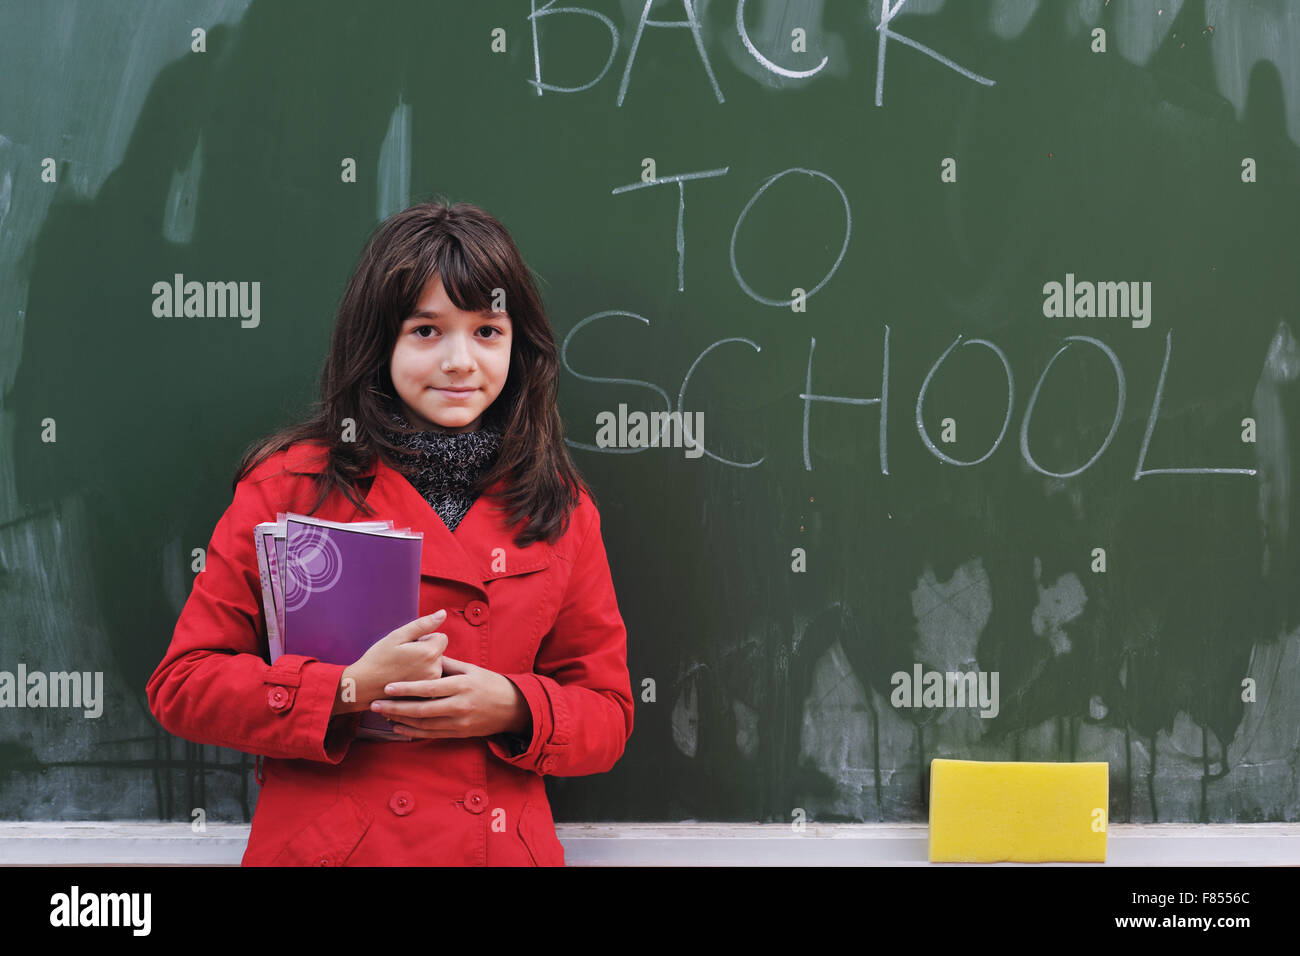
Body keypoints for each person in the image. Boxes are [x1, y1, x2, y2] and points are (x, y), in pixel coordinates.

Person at [146, 200, 634, 866]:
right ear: (380, 342)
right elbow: (184, 686)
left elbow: (608, 714)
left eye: (487, 331)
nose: (461, 361)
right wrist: (343, 690)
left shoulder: (560, 505)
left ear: (520, 344)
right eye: (427, 331)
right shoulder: (289, 485)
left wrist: (516, 706)